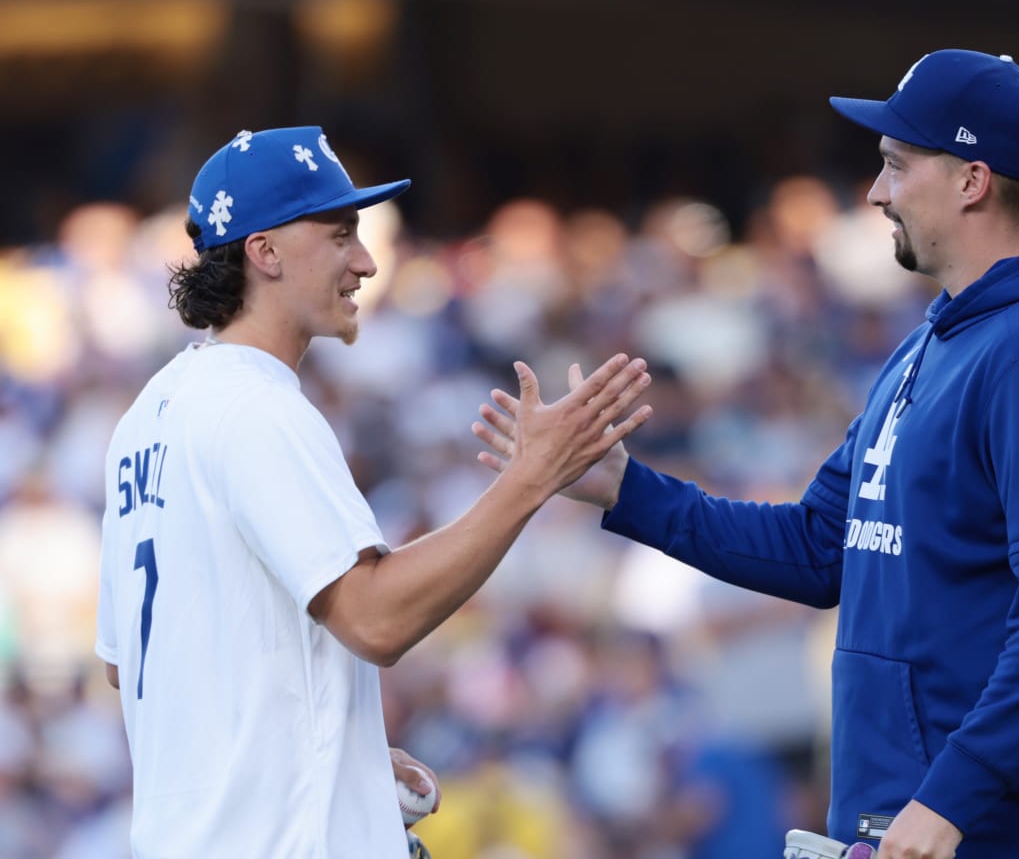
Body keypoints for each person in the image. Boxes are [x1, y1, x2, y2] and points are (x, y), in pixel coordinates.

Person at [475, 50, 1019, 857]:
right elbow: (819, 546)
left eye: (896, 165)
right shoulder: (936, 339)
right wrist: (624, 489)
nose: (876, 192)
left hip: (990, 833)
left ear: (972, 180)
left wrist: (950, 800)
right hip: (902, 823)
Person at [95, 126, 651, 858]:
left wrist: (330, 754)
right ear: (265, 252)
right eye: (340, 235)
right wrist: (531, 480)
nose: (364, 261)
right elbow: (376, 620)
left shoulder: (148, 414)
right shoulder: (256, 407)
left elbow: (125, 662)